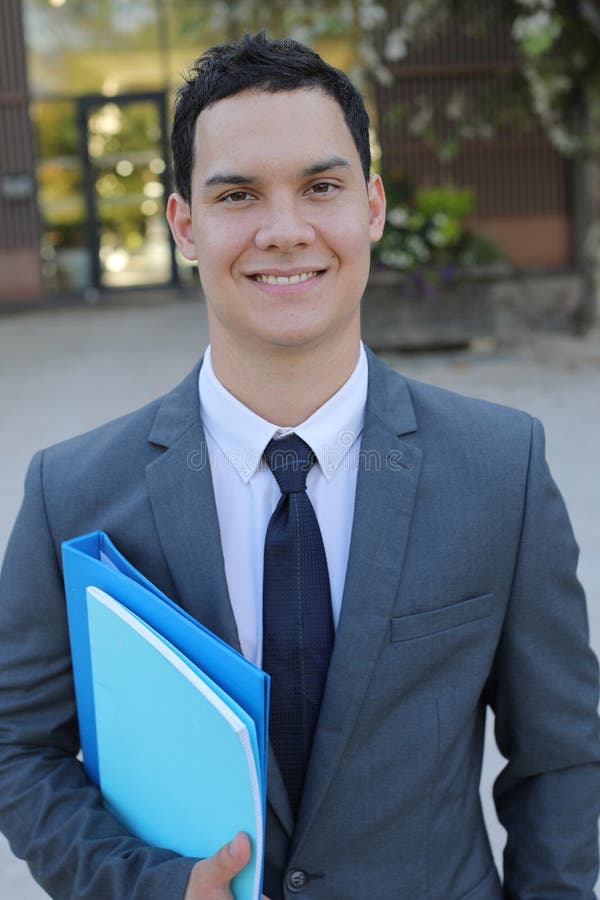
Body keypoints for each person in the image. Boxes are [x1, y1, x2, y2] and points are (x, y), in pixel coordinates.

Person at [0, 31, 599, 900]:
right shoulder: (72, 491)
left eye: (321, 187)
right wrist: (146, 886)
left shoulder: (501, 469)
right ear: (184, 226)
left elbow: (563, 757)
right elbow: (19, 744)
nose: (285, 231)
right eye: (237, 194)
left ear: (373, 208)